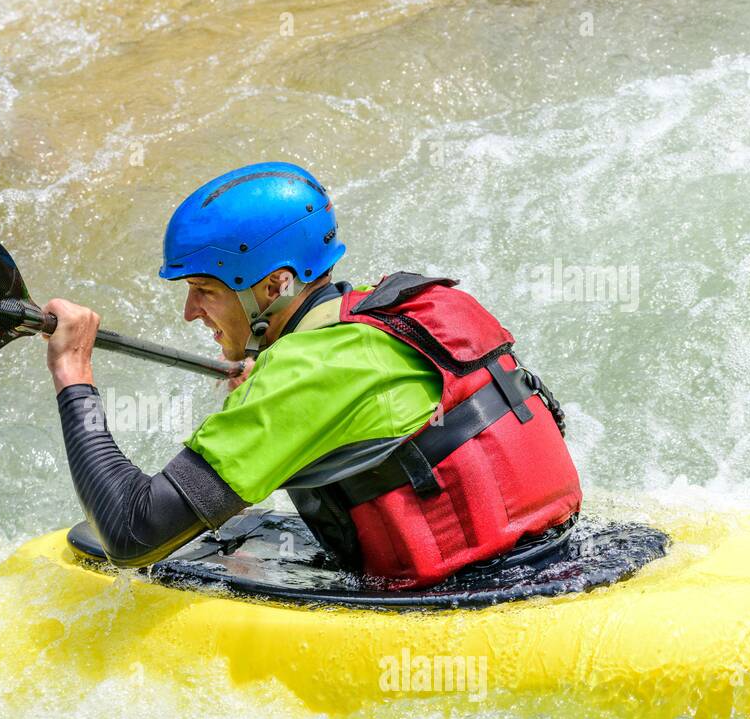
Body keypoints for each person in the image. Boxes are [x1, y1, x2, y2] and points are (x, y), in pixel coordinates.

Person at [47, 161, 581, 587]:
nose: (190, 311)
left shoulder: (304, 371)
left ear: (275, 285)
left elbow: (131, 532)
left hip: (473, 593)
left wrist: (73, 373)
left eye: (205, 290)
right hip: (558, 551)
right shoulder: (396, 312)